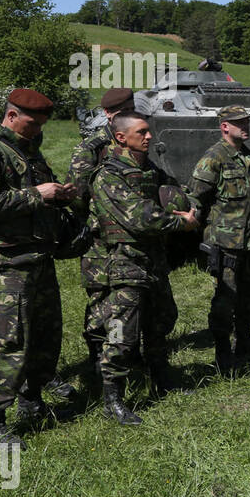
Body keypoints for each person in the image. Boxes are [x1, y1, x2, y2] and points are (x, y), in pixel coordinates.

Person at [0, 88, 82, 448]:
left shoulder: (27, 148)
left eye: (42, 123)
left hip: (38, 258)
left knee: (45, 334)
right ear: (11, 116)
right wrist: (37, 195)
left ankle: (32, 398)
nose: (38, 129)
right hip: (7, 263)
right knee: (8, 340)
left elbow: (32, 191)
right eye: (33, 122)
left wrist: (58, 194)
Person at [85, 112, 199, 425]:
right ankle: (113, 398)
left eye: (149, 132)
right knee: (123, 331)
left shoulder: (147, 168)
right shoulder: (109, 174)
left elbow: (175, 192)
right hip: (126, 261)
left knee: (161, 320)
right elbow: (139, 217)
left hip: (154, 259)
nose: (149, 137)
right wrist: (181, 222)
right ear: (121, 137)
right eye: (142, 132)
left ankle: (162, 378)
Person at [189, 105, 250, 374]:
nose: (245, 126)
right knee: (226, 299)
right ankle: (223, 353)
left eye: (246, 122)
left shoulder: (248, 156)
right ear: (225, 126)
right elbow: (195, 199)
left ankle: (244, 341)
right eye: (239, 123)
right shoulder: (214, 157)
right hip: (226, 244)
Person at [69, 86, 137, 380]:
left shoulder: (136, 139)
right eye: (123, 113)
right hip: (100, 240)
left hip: (133, 237)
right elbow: (77, 195)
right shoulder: (92, 148)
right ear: (108, 114)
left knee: (131, 299)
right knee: (100, 300)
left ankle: (131, 352)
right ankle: (97, 357)